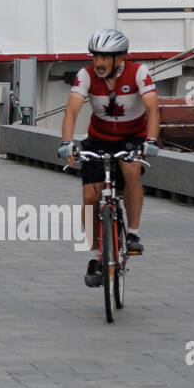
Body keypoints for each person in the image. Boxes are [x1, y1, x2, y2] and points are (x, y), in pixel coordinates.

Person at [57, 29, 159, 289]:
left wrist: (151, 141)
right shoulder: (86, 75)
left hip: (132, 137)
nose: (98, 62)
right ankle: (94, 256)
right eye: (95, 56)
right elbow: (72, 110)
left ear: (120, 58)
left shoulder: (138, 73)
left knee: (131, 170)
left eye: (105, 57)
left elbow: (152, 108)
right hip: (99, 138)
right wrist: (67, 143)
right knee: (90, 197)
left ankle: (133, 233)